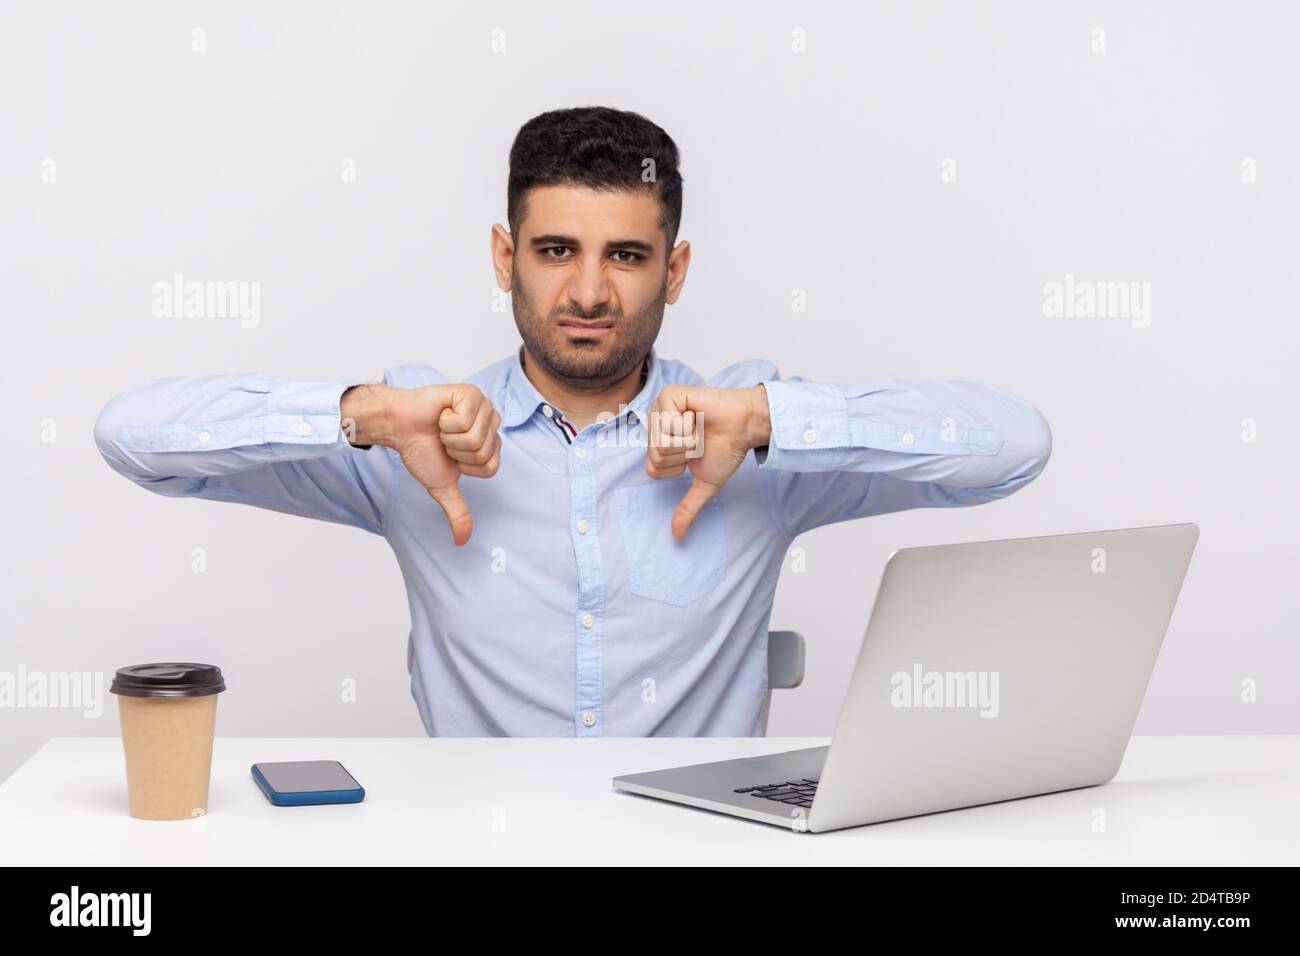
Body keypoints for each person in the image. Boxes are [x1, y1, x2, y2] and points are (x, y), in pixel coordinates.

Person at [94, 106, 1052, 737]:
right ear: (506, 258)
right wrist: (363, 412)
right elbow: (133, 437)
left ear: (674, 271)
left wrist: (770, 418)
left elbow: (1012, 448)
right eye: (556, 250)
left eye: (627, 256)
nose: (589, 292)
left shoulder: (752, 444)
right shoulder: (415, 442)